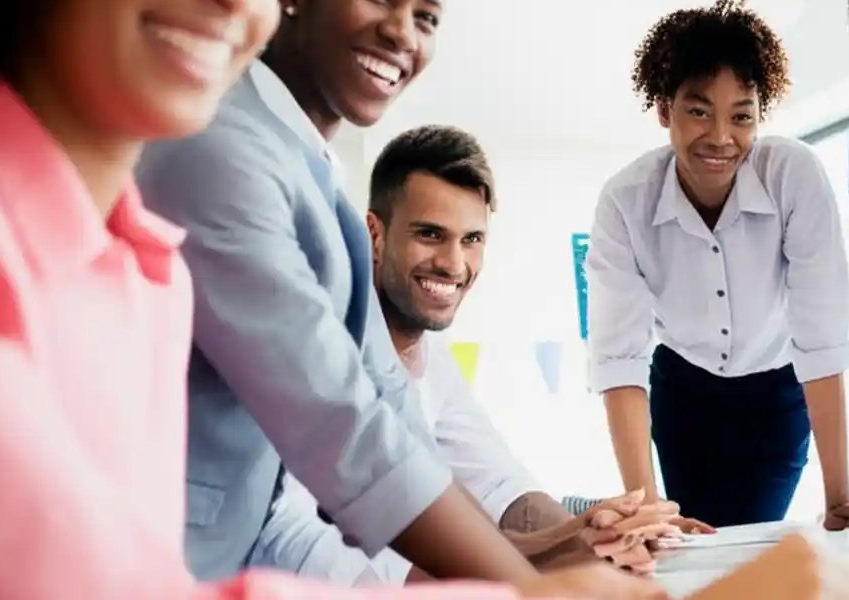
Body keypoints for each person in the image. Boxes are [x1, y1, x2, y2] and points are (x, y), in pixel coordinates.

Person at [0, 0, 565, 598]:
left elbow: (377, 413)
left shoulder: (147, 268)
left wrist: (537, 564)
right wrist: (523, 590)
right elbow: (338, 424)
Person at [135, 0, 661, 598]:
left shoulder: (317, 180)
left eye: (427, 16)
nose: (402, 33)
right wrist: (536, 589)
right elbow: (344, 430)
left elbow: (394, 418)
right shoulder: (224, 151)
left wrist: (558, 550)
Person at [263, 125, 699, 585]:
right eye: (430, 234)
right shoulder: (316, 346)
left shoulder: (432, 359)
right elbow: (301, 539)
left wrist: (595, 535)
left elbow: (499, 486)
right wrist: (553, 564)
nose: (454, 264)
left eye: (472, 239)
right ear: (375, 233)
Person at [586, 0, 849, 529]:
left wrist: (839, 499)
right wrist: (645, 512)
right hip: (682, 394)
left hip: (777, 395)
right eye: (698, 111)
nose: (720, 137)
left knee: (748, 532)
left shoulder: (792, 175)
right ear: (663, 109)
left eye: (741, 116)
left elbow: (821, 337)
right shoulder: (625, 201)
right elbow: (619, 359)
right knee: (682, 539)